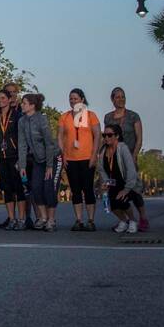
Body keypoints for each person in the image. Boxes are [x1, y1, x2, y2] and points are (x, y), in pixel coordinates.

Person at [104, 86, 150, 231]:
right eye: (117, 97)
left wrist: (134, 155)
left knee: (134, 189)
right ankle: (126, 220)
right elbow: (107, 136)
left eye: (123, 96)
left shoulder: (133, 116)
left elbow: (139, 137)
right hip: (114, 158)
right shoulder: (108, 117)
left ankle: (143, 218)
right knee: (116, 188)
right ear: (112, 99)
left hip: (129, 155)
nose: (121, 99)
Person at [58, 88, 101, 232]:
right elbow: (60, 136)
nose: (73, 101)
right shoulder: (65, 117)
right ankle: (78, 220)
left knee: (88, 189)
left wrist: (94, 155)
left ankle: (91, 220)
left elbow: (97, 136)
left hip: (87, 157)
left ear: (82, 99)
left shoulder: (91, 116)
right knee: (75, 190)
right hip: (71, 158)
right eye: (71, 98)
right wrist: (62, 154)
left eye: (75, 98)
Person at [17, 93, 60, 230]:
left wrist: (49, 166)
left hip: (52, 158)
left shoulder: (42, 119)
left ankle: (51, 220)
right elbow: (22, 144)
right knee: (35, 188)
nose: (21, 105)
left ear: (32, 105)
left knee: (48, 188)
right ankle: (43, 217)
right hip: (37, 160)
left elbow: (49, 143)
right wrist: (22, 165)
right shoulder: (22, 121)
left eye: (24, 103)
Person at [98, 126, 145, 234]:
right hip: (113, 183)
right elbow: (101, 169)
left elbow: (131, 170)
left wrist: (126, 189)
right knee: (111, 204)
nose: (106, 138)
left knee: (122, 199)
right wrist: (105, 183)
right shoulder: (103, 151)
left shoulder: (122, 148)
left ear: (117, 136)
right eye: (104, 135)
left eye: (110, 135)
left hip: (128, 183)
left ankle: (133, 221)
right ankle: (123, 221)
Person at [0, 89, 25, 230]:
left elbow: (21, 137)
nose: (0, 100)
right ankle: (11, 218)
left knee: (19, 187)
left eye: (3, 98)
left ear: (9, 99)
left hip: (14, 156)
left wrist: (21, 157)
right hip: (0, 156)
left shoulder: (17, 115)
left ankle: (22, 219)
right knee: (6, 188)